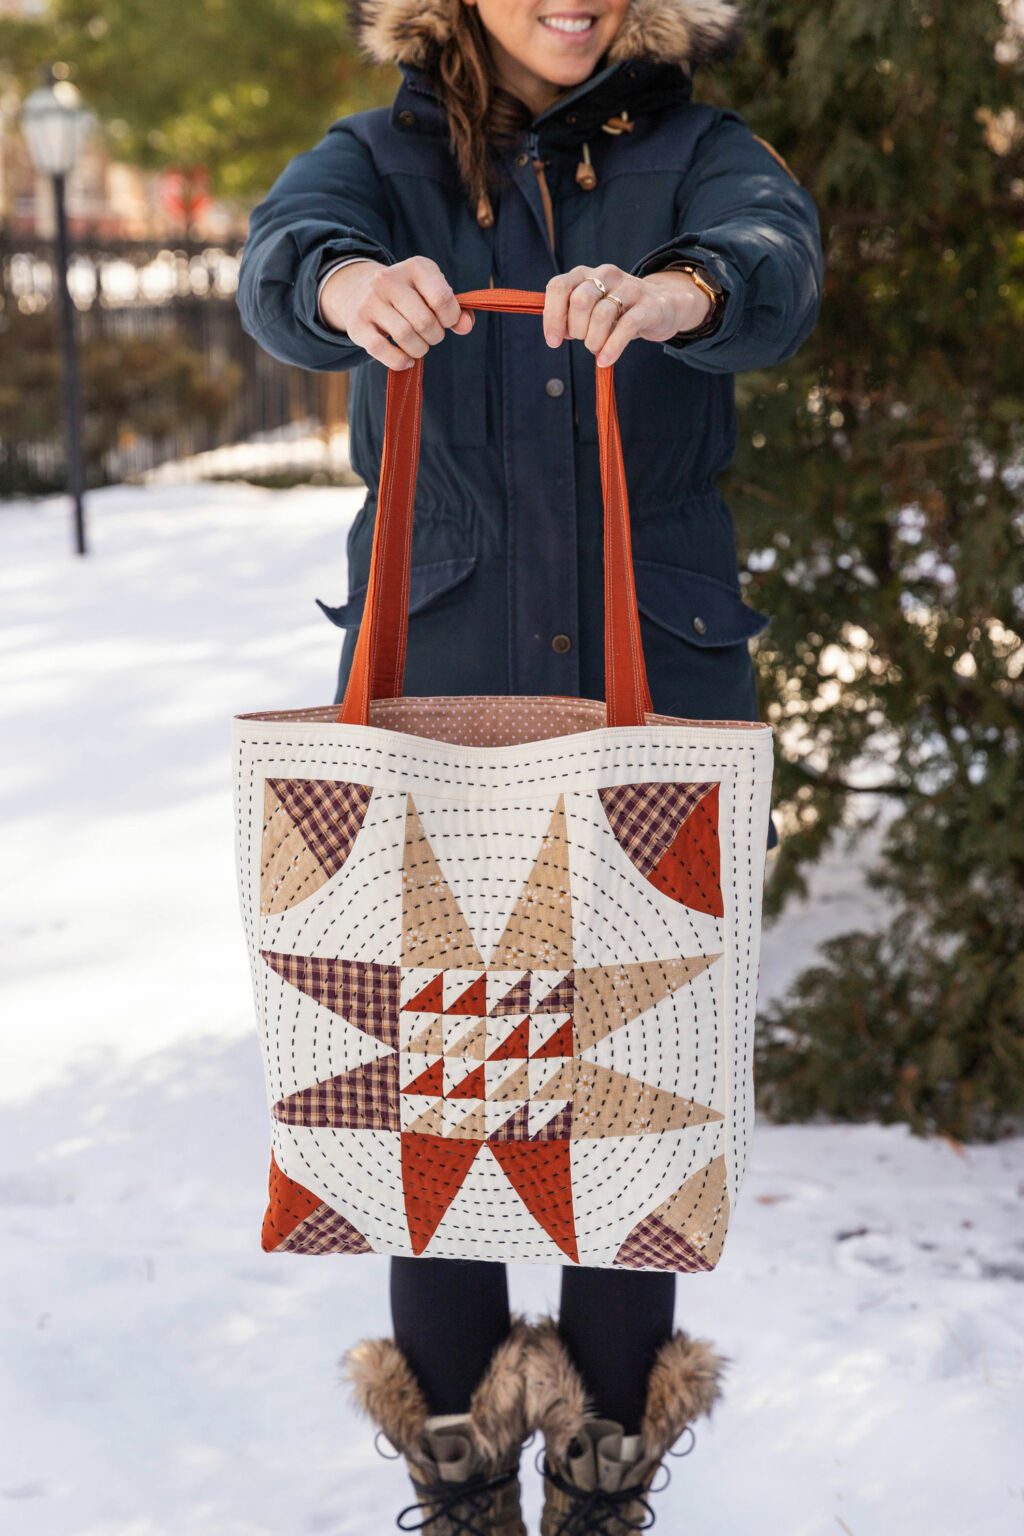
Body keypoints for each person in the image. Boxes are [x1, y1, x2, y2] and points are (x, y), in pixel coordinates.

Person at [237, 2, 824, 1531]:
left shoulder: (702, 151)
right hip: (439, 696)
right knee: (431, 1094)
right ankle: (461, 1486)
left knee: (637, 1094)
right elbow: (283, 258)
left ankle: (606, 1481)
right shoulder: (374, 157)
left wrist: (687, 292)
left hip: (655, 689)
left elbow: (774, 254)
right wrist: (347, 281)